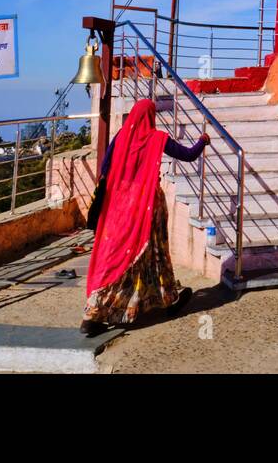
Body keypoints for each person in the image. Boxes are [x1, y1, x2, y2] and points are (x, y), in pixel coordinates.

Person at [80, 98, 210, 336]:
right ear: (151, 117)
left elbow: (105, 170)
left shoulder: (120, 137)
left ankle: (96, 310)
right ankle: (166, 300)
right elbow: (189, 155)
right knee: (155, 253)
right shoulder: (157, 138)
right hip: (148, 204)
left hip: (119, 205)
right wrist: (202, 141)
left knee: (119, 255)